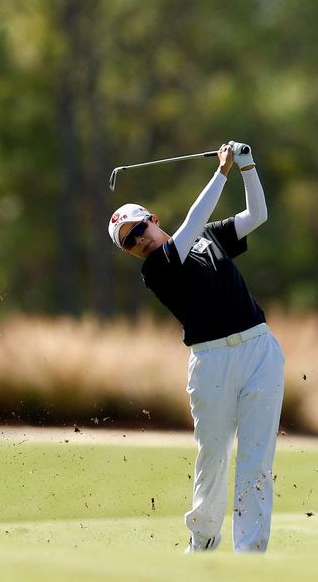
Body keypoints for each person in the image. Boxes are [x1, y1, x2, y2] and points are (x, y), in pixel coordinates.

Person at [107, 140, 284, 553]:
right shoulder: (158, 269)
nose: (138, 241)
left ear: (152, 219)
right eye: (128, 242)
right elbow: (188, 227)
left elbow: (257, 215)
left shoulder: (209, 237)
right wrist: (221, 171)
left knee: (256, 462)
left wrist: (247, 166)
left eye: (138, 229)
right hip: (211, 361)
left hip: (259, 350)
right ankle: (202, 540)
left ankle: (250, 554)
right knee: (214, 457)